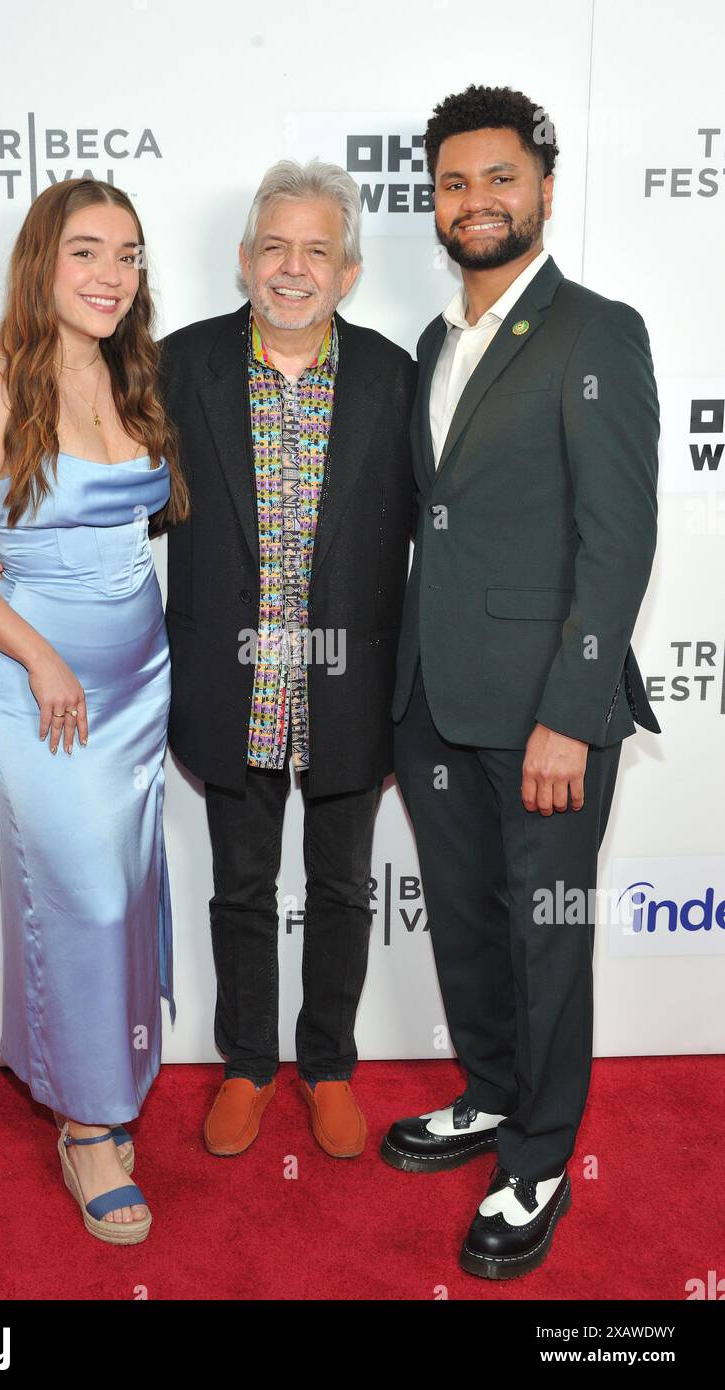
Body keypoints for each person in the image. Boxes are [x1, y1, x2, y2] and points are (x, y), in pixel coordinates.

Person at [0, 161, 417, 1159]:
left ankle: (331, 1063)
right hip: (229, 678)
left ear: (346, 272)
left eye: (315, 251)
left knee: (344, 885)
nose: (291, 268)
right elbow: (97, 480)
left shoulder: (396, 376)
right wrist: (6, 543)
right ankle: (250, 1062)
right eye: (273, 247)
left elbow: (442, 521)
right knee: (239, 882)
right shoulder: (176, 365)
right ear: (242, 261)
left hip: (349, 683)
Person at [381, 86, 660, 1279]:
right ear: (431, 204)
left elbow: (618, 539)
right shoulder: (430, 346)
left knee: (547, 935)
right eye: (453, 183)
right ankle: (493, 1093)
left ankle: (540, 1153)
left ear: (543, 189)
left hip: (544, 707)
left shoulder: (595, 334)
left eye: (499, 178)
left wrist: (569, 711)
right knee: (469, 922)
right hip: (430, 701)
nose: (475, 200)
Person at [0, 177, 188, 1245]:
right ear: (42, 264)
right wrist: (36, 651)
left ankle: (107, 1077)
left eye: (127, 255)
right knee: (79, 900)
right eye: (86, 252)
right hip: (44, 694)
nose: (110, 275)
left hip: (138, 682)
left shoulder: (137, 377)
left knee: (120, 891)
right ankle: (83, 1129)